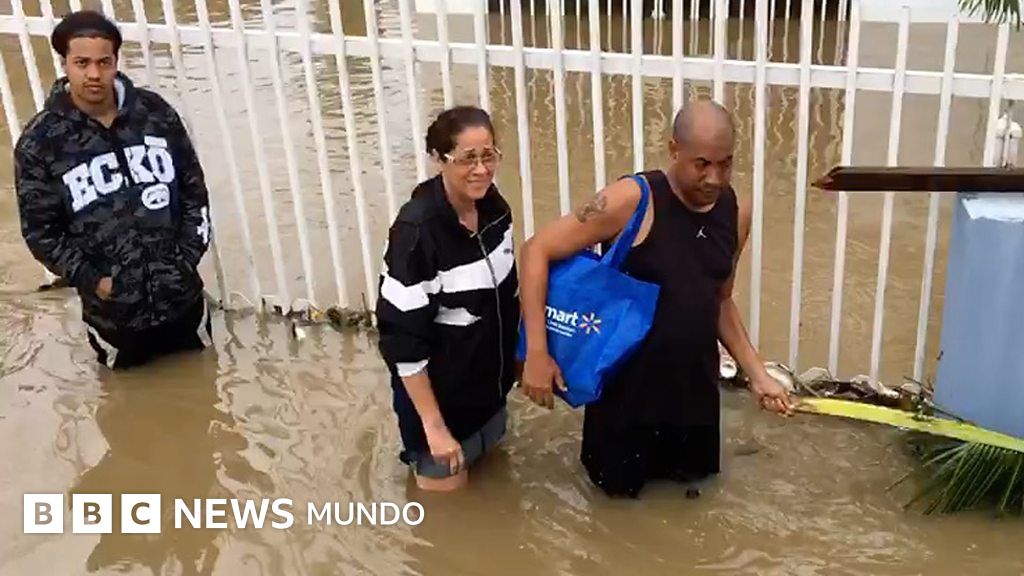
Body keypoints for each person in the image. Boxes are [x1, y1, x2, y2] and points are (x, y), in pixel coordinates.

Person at [519, 99, 794, 498]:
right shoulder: (633, 200)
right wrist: (536, 353)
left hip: (695, 397)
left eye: (725, 164)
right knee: (612, 512)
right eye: (702, 164)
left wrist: (758, 375)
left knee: (695, 503)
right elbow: (536, 250)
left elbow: (719, 299)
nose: (714, 178)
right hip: (625, 398)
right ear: (673, 150)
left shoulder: (736, 211)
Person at [14, 10, 213, 370]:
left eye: (103, 62)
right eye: (82, 63)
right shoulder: (40, 142)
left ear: (116, 61)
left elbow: (194, 192)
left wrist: (185, 260)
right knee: (123, 399)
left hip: (184, 304)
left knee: (205, 385)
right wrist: (96, 281)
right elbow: (41, 233)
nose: (94, 74)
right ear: (64, 64)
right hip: (114, 321)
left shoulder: (155, 113)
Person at [375, 106, 520, 491]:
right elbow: (402, 343)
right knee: (444, 518)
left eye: (489, 156)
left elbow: (506, 296)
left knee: (496, 499)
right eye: (467, 159)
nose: (481, 170)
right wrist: (434, 429)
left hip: (489, 399)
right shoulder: (415, 234)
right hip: (442, 414)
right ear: (439, 159)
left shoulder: (495, 210)